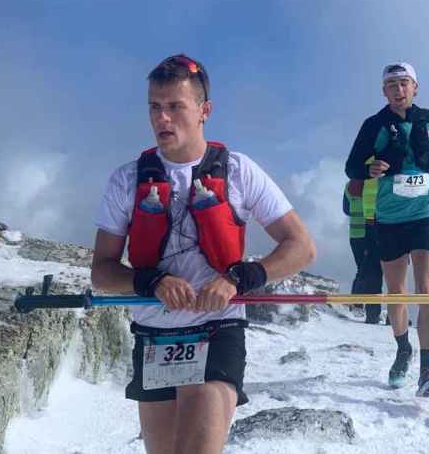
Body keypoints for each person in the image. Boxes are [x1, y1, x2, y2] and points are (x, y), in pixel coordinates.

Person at [91, 54, 316, 454]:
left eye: (175, 107)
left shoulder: (240, 171)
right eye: (155, 108)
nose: (163, 119)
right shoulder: (127, 179)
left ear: (203, 110)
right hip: (154, 335)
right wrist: (151, 281)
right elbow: (102, 273)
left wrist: (237, 279)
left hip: (217, 328)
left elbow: (301, 247)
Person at [345, 62, 429, 398]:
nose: (399, 90)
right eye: (392, 85)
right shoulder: (374, 125)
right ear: (384, 91)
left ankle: (428, 371)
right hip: (389, 217)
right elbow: (352, 166)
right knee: (397, 291)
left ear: (416, 87)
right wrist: (370, 168)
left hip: (426, 211)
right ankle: (403, 349)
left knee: (425, 288)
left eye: (404, 83)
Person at [342, 172, 382, 324]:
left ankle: (358, 304)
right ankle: (372, 313)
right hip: (373, 232)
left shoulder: (349, 186)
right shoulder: (377, 184)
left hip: (355, 233)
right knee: (376, 274)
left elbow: (346, 209)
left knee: (363, 269)